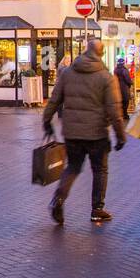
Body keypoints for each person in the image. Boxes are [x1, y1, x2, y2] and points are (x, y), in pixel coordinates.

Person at [42, 36, 126, 225]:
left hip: (72, 132)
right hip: (97, 133)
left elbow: (54, 99)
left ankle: (58, 199)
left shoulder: (68, 73)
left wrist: (47, 121)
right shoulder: (106, 77)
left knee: (72, 167)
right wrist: (120, 136)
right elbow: (114, 110)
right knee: (100, 170)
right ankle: (97, 209)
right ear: (101, 53)